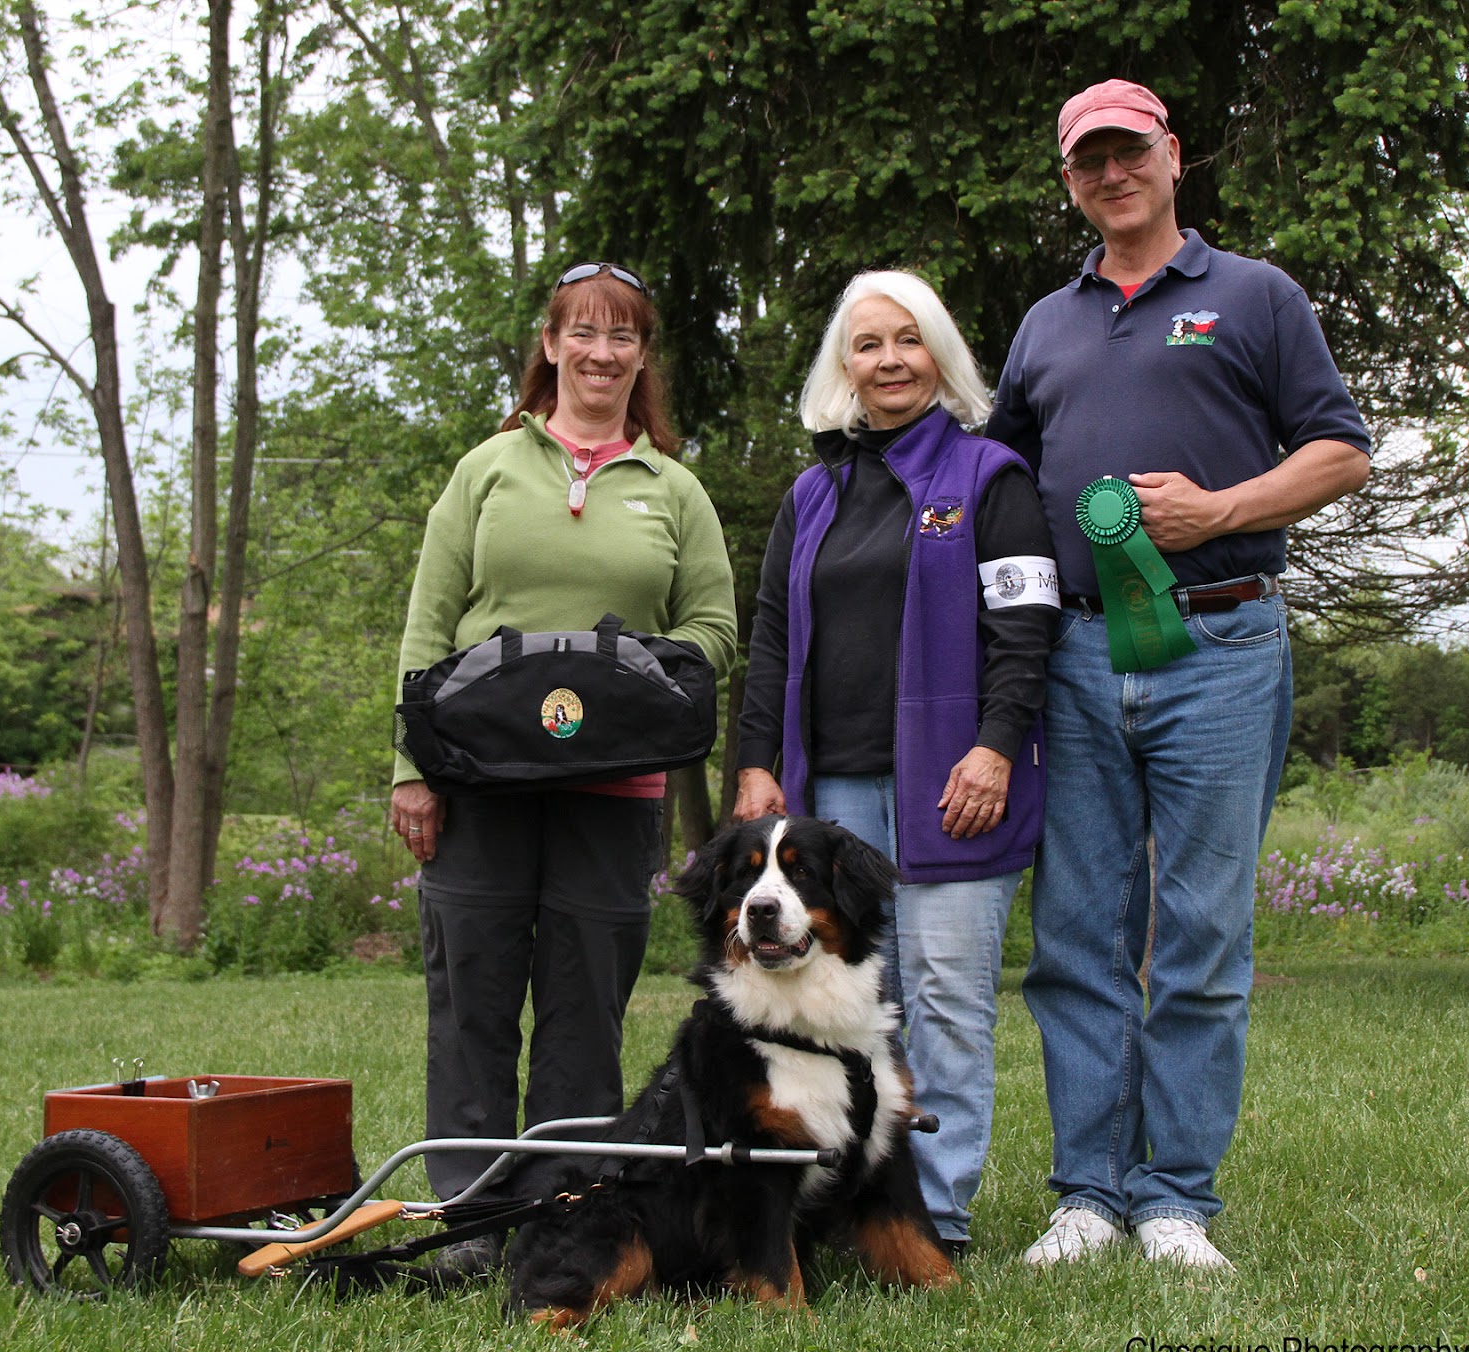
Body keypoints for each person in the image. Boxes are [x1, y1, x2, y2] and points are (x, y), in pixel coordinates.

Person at [986, 79, 1371, 1268]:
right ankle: (1086, 1197)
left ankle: (1173, 1201)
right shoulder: (1044, 324)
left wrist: (1222, 511)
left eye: (1127, 151)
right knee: (1076, 931)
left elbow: (1341, 451)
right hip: (1078, 656)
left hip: (1220, 643)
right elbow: (1000, 479)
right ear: (1070, 181)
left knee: (1199, 929)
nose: (1110, 174)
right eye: (1086, 161)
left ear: (1172, 157)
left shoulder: (1255, 295)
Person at [390, 261, 737, 1275]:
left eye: (620, 335)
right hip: (479, 783)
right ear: (550, 346)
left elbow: (713, 624)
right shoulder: (486, 469)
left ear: (642, 355)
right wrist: (411, 767)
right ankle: (468, 1225)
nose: (599, 351)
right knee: (473, 1003)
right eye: (580, 332)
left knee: (586, 1012)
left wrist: (632, 676)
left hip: (612, 793)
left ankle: (561, 1219)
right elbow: (427, 623)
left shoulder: (673, 489)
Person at [734, 269, 1059, 1256]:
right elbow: (772, 637)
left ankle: (938, 1213)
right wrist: (756, 764)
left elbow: (1026, 627)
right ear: (844, 364)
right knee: (850, 1007)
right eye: (867, 344)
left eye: (908, 341)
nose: (889, 361)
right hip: (830, 798)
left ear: (941, 356)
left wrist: (995, 748)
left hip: (956, 787)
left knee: (949, 1002)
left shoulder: (991, 477)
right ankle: (849, 1202)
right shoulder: (810, 492)